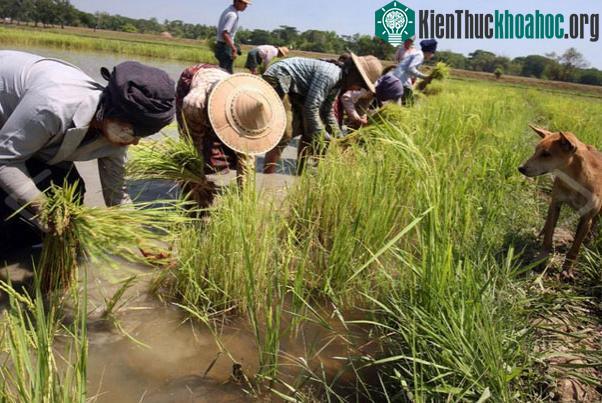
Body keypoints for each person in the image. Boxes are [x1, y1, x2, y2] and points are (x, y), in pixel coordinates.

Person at [0, 51, 176, 256]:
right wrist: (46, 209)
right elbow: (5, 160)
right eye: (133, 133)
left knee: (70, 193)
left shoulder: (116, 131)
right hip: (7, 113)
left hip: (31, 136)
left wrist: (141, 239)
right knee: (7, 213)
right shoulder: (52, 107)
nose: (135, 142)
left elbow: (117, 194)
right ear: (111, 113)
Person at [176, 63, 286, 198]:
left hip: (224, 82)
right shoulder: (194, 104)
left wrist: (245, 197)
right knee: (199, 153)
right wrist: (198, 182)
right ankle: (189, 190)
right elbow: (193, 146)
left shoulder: (250, 105)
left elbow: (246, 159)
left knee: (231, 155)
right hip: (196, 81)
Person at [262, 54, 383, 174]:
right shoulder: (330, 75)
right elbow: (311, 107)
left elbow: (327, 110)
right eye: (361, 85)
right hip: (279, 77)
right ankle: (268, 177)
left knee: (306, 131)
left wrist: (340, 137)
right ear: (355, 75)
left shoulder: (338, 82)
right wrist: (323, 134)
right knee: (285, 133)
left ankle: (298, 172)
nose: (357, 90)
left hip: (295, 88)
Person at [340, 74, 404, 128]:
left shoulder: (395, 93)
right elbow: (346, 98)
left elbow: (394, 108)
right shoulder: (365, 89)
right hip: (346, 102)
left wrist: (364, 115)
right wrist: (356, 118)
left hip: (361, 106)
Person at [391, 39, 438, 105]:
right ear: (429, 52)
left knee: (401, 102)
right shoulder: (420, 55)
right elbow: (411, 68)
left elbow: (410, 70)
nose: (432, 56)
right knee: (409, 103)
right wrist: (424, 77)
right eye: (433, 53)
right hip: (401, 80)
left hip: (398, 77)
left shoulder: (417, 53)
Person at [214, 0, 251, 73]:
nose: (246, 6)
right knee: (226, 73)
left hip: (221, 45)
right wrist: (233, 48)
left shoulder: (228, 10)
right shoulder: (232, 15)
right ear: (237, 2)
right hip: (225, 47)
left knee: (225, 71)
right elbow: (225, 33)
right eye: (244, 4)